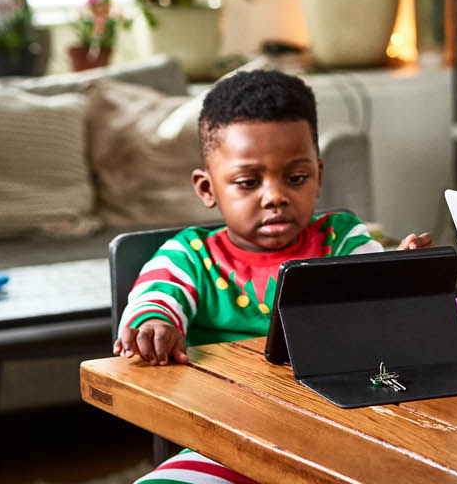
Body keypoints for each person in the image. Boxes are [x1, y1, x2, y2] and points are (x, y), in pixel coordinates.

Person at [116, 70, 431, 484]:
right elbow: (153, 301)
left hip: (345, 430)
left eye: (296, 178)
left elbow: (379, 303)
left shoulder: (341, 238)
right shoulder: (188, 256)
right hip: (225, 443)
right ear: (207, 188)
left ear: (318, 176)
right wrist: (154, 324)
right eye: (248, 182)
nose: (275, 196)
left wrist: (404, 279)